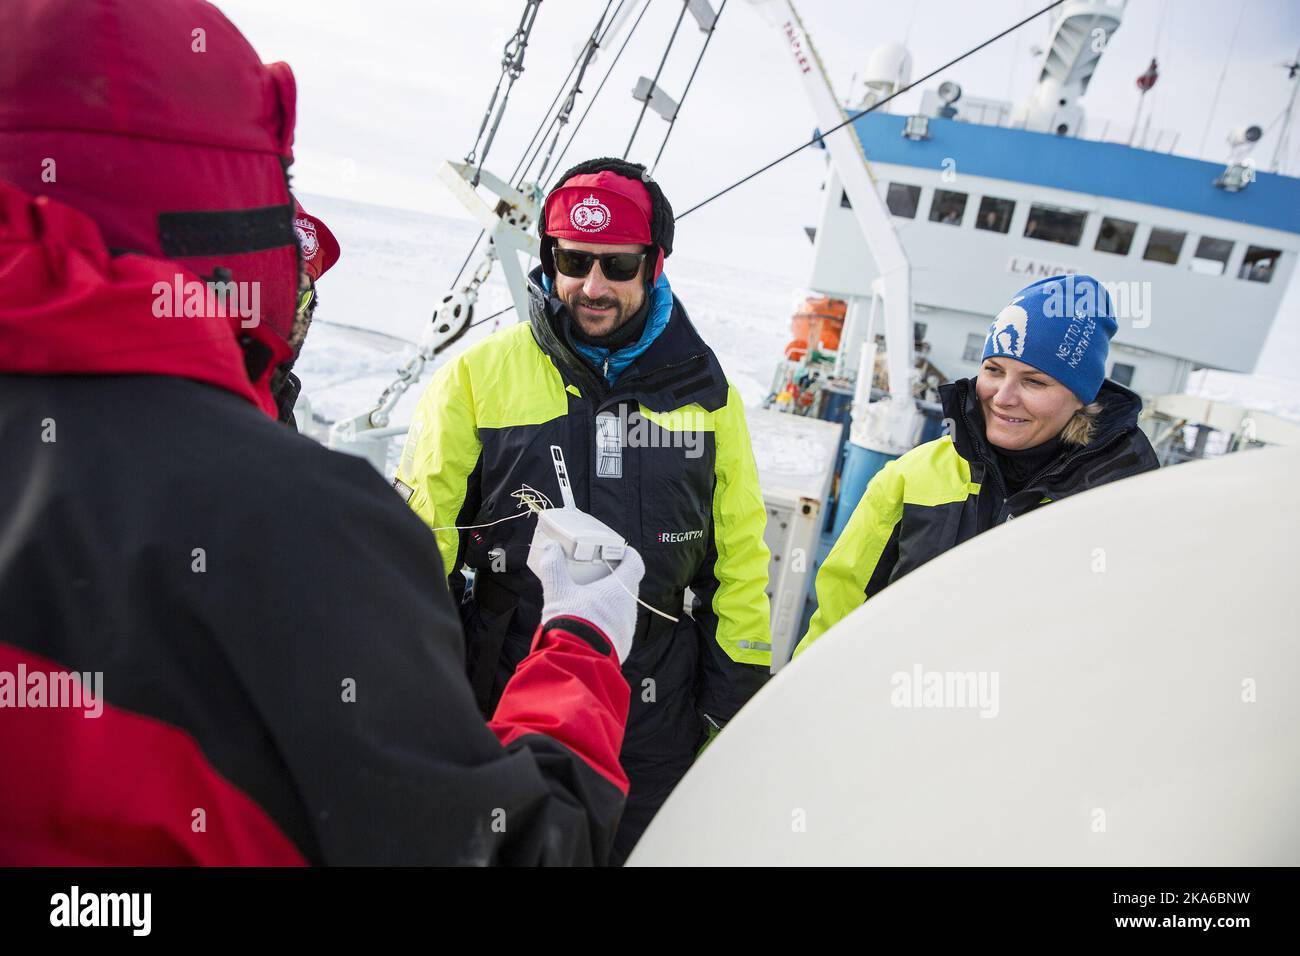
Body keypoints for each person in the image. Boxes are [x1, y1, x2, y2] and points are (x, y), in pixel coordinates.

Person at [0, 0, 644, 866]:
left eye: (619, 263)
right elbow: (509, 849)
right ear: (228, 204)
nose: (594, 282)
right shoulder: (297, 531)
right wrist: (583, 643)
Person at [396, 157, 773, 863]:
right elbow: (423, 549)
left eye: (617, 266)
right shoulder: (476, 379)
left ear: (653, 265)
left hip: (653, 714)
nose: (592, 287)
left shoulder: (707, 394)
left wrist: (732, 711)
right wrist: (422, 692)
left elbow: (742, 565)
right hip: (510, 696)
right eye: (573, 260)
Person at [795, 274, 1160, 655]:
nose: (1003, 398)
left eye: (1034, 382)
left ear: (1080, 397)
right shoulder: (912, 476)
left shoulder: (1121, 507)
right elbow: (839, 613)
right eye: (994, 370)